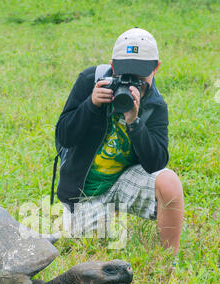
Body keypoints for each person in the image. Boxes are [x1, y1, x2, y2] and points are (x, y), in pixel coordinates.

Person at [54, 28, 184, 255]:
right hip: (84, 192)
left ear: (156, 68)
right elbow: (64, 136)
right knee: (91, 252)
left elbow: (156, 163)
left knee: (169, 182)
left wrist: (135, 123)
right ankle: (95, 215)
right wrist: (90, 105)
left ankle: (168, 260)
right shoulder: (90, 81)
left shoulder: (155, 105)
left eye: (140, 77)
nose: (133, 84)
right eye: (125, 75)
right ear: (113, 66)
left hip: (123, 181)